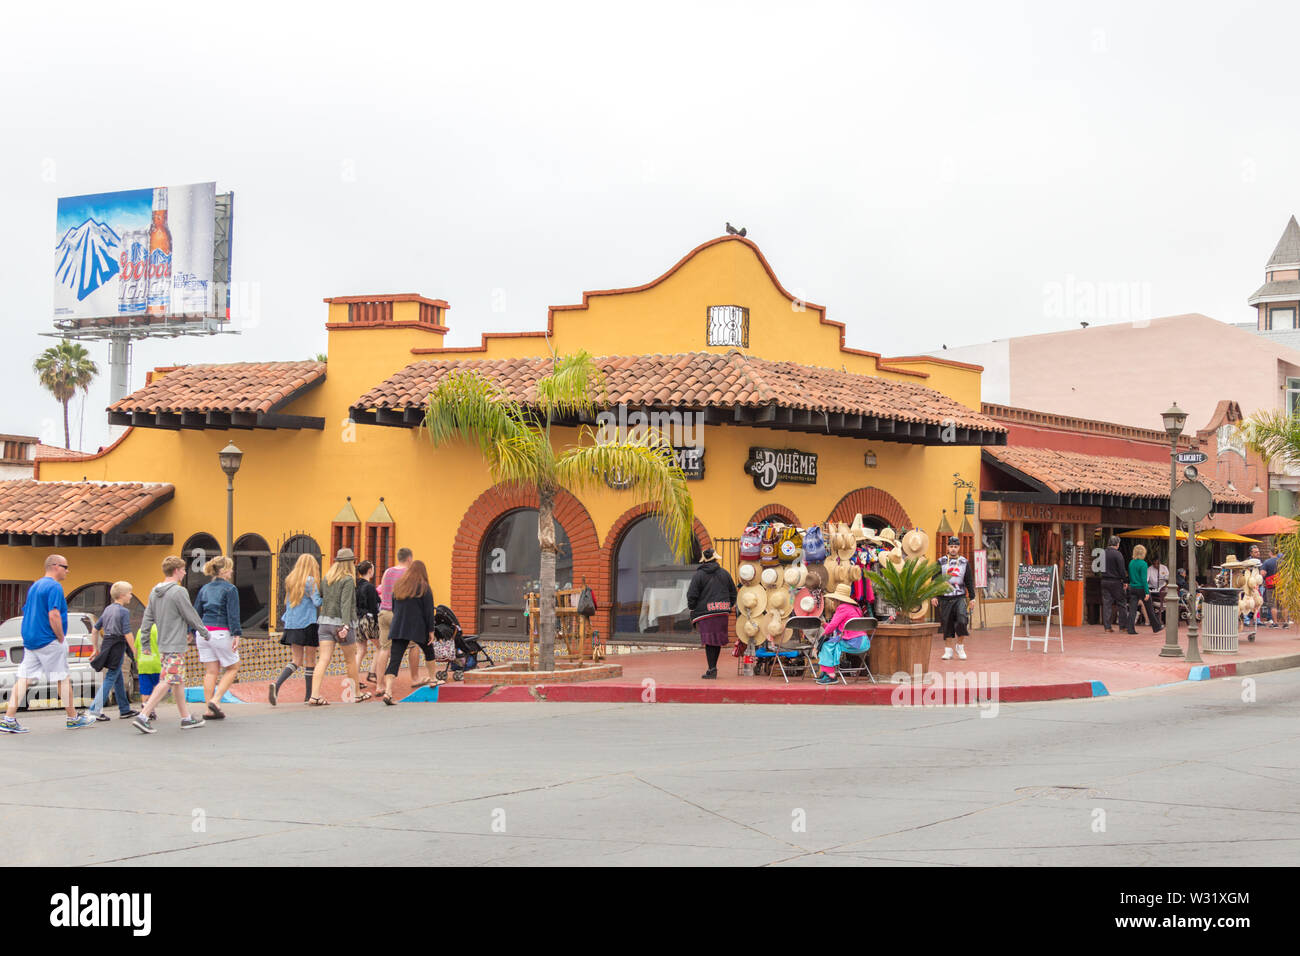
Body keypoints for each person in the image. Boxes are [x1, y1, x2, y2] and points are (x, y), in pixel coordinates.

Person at [0, 555, 98, 733]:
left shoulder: (35, 586)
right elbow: (54, 614)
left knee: (24, 679)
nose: (67, 570)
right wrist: (60, 636)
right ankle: (72, 718)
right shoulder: (54, 586)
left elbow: (29, 611)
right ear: (54, 566)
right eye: (65, 567)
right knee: (62, 678)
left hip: (31, 640)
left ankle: (8, 719)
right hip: (48, 639)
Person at [132, 556, 211, 734]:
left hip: (163, 644)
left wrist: (144, 641)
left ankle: (186, 718)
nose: (185, 572)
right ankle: (143, 715)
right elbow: (190, 614)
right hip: (176, 643)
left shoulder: (154, 592)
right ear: (176, 570)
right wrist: (204, 632)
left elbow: (147, 618)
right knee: (169, 679)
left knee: (177, 681)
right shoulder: (178, 592)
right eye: (183, 569)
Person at [310, 548, 370, 704]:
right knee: (350, 660)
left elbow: (322, 595)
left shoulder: (327, 578)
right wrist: (345, 625)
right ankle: (356, 694)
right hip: (341, 624)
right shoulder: (348, 579)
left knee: (323, 660)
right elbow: (345, 603)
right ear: (350, 563)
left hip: (324, 622)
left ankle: (314, 695)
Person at [381, 560, 443, 705]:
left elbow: (394, 608)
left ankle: (388, 692)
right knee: (429, 651)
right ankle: (433, 679)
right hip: (417, 627)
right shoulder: (424, 588)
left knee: (395, 660)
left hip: (399, 627)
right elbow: (428, 612)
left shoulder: (398, 587)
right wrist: (431, 630)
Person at [269, 554, 322, 706]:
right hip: (307, 623)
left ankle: (277, 685)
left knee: (296, 660)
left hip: (291, 624)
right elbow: (317, 601)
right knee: (310, 660)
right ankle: (308, 696)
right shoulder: (310, 581)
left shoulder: (291, 580)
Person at [193, 555, 241, 720]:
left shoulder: (204, 588)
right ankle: (216, 699)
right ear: (225, 570)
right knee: (233, 667)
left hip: (203, 632)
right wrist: (236, 633)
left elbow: (196, 611)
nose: (232, 571)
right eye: (230, 568)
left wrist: (190, 631)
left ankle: (209, 709)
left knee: (211, 671)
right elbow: (233, 613)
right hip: (221, 631)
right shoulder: (230, 589)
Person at [376, 548, 430, 686]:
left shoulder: (387, 572)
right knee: (413, 645)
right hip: (399, 615)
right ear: (409, 559)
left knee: (384, 649)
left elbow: (381, 591)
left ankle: (379, 685)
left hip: (383, 613)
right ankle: (415, 678)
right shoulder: (409, 574)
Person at [87, 581, 139, 722]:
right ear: (122, 595)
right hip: (117, 645)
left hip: (107, 644)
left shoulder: (108, 609)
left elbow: (95, 629)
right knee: (111, 676)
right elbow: (127, 633)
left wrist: (95, 648)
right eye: (129, 593)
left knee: (116, 676)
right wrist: (134, 650)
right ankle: (95, 710)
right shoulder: (123, 611)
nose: (131, 596)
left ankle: (124, 709)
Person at [686, 548, 736, 680]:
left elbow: (692, 595)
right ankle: (712, 668)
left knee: (709, 642)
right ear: (715, 558)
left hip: (706, 614)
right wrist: (729, 605)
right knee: (717, 641)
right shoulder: (725, 573)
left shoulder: (699, 575)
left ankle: (712, 669)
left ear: (704, 560)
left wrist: (692, 608)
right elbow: (733, 592)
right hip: (722, 612)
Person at [817, 583, 871, 685]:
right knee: (831, 643)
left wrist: (823, 634)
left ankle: (830, 675)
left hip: (853, 643)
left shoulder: (842, 608)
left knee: (826, 644)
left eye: (833, 601)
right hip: (863, 642)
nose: (833, 603)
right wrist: (825, 626)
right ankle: (826, 672)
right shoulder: (855, 608)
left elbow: (833, 626)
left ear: (838, 600)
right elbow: (843, 626)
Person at [933, 536, 976, 659]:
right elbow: (934, 580)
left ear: (959, 547)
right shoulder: (940, 561)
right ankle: (948, 650)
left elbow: (969, 580)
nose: (953, 549)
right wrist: (934, 596)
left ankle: (960, 646)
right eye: (951, 546)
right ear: (947, 547)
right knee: (946, 624)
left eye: (955, 547)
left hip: (960, 597)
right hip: (945, 597)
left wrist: (972, 598)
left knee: (962, 620)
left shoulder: (964, 562)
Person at [1126, 544, 1163, 635]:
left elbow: (1130, 576)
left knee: (1132, 609)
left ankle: (1130, 629)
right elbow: (1144, 579)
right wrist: (1147, 592)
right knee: (1149, 609)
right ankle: (1156, 627)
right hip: (1141, 588)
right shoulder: (1143, 564)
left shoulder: (1131, 563)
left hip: (1133, 587)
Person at [354, 560, 380, 684]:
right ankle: (372, 673)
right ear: (370, 571)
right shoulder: (369, 587)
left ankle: (353, 679)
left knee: (361, 651)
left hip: (357, 620)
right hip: (368, 621)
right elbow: (374, 607)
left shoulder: (356, 585)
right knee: (381, 647)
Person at [1100, 536, 1129, 632]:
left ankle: (1107, 627)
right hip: (1115, 582)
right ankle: (1123, 626)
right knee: (1121, 603)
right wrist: (1125, 581)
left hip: (1104, 580)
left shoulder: (1102, 553)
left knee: (1107, 604)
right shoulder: (1118, 554)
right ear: (1117, 544)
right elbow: (1121, 570)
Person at [1146, 553, 1169, 628]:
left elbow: (1168, 578)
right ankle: (1156, 615)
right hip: (1153, 588)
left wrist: (1165, 585)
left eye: (1158, 564)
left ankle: (1164, 614)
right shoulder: (1149, 569)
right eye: (1154, 564)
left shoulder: (1164, 568)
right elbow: (1147, 580)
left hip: (1163, 588)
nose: (1156, 565)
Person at [1261, 547, 1281, 627]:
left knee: (1273, 605)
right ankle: (1286, 623)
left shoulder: (1267, 562)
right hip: (1281, 585)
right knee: (1284, 605)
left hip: (1270, 586)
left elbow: (1263, 573)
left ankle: (1275, 623)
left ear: (1270, 553)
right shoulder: (1282, 562)